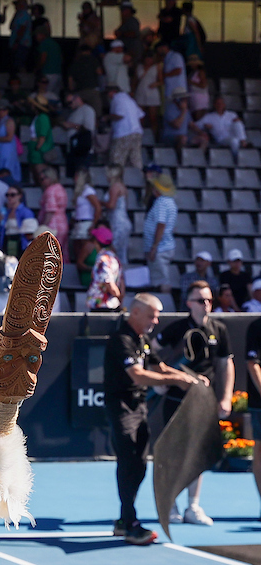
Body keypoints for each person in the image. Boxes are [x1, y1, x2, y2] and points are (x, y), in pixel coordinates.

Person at [105, 294, 204, 544]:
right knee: (129, 462)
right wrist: (177, 380)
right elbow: (138, 375)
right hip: (121, 407)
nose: (156, 321)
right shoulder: (122, 339)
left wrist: (190, 378)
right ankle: (129, 522)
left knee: (139, 464)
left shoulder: (142, 339)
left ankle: (123, 519)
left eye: (157, 315)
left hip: (139, 407)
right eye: (152, 315)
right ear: (135, 313)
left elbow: (160, 367)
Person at [156, 280, 235, 525]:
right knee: (174, 453)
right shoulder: (176, 328)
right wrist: (166, 378)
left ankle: (193, 506)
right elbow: (152, 355)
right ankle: (171, 506)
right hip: (175, 399)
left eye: (210, 300)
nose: (207, 305)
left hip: (204, 401)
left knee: (197, 454)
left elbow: (225, 365)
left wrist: (225, 397)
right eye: (201, 300)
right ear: (189, 303)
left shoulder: (219, 329)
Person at [143, 174, 178, 294]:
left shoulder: (161, 203)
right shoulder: (170, 202)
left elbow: (161, 225)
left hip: (160, 248)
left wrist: (154, 247)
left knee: (161, 281)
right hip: (165, 246)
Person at [86, 226, 123, 312]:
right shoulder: (114, 258)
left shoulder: (103, 260)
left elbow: (108, 283)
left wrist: (118, 296)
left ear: (96, 242)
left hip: (102, 306)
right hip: (108, 305)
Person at [37, 166, 69, 260]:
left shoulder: (50, 190)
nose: (42, 181)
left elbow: (50, 211)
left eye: (44, 178)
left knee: (51, 253)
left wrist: (43, 227)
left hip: (52, 225)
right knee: (62, 251)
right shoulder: (60, 188)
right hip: (62, 223)